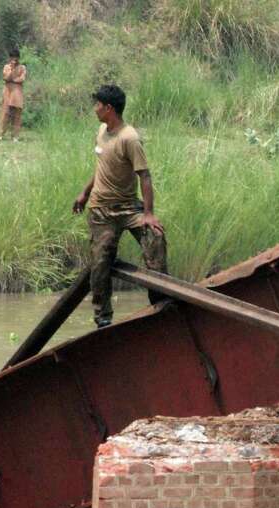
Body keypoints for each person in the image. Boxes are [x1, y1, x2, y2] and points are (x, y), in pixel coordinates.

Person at [72, 85, 168, 329]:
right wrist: (85, 192)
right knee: (100, 264)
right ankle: (103, 318)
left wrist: (148, 214)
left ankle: (160, 306)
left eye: (97, 105)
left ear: (109, 108)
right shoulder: (102, 130)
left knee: (155, 237)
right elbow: (101, 166)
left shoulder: (130, 138)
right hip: (101, 212)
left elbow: (144, 176)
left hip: (128, 209)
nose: (95, 109)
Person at [0, 49, 26, 141]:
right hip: (8, 91)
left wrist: (13, 80)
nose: (14, 59)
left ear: (18, 57)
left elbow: (22, 79)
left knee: (17, 113)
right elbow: (6, 77)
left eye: (16, 57)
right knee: (5, 112)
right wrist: (12, 69)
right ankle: (0, 134)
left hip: (17, 91)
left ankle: (15, 136)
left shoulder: (22, 67)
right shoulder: (6, 67)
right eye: (12, 57)